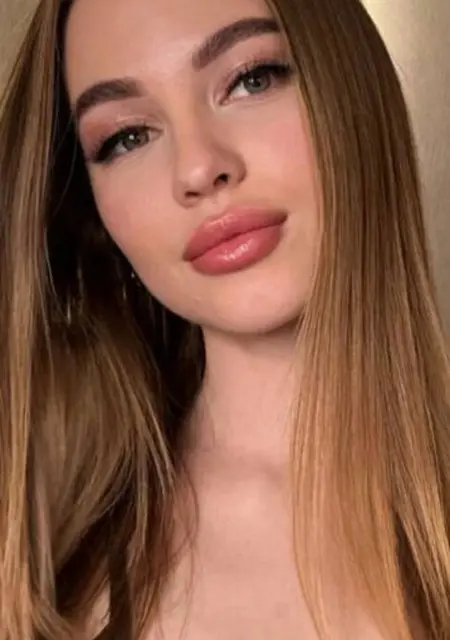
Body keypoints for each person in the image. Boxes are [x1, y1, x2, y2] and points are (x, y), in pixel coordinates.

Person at [0, 0, 449, 637]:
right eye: (127, 137)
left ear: (349, 84)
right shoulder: (36, 561)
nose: (198, 169)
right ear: (91, 217)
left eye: (251, 79)